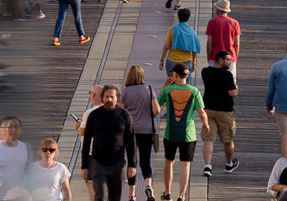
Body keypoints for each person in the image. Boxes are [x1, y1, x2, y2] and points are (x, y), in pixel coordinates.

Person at [156, 63, 209, 201]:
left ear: (174, 75)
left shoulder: (168, 90)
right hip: (188, 134)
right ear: (187, 75)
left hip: (171, 133)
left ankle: (167, 194)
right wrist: (206, 124)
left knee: (169, 162)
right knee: (185, 165)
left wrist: (165, 85)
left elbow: (157, 104)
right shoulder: (194, 91)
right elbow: (202, 112)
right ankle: (181, 196)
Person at [81, 85, 137, 201]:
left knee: (115, 198)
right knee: (100, 196)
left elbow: (131, 141)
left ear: (117, 98)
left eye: (112, 97)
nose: (109, 100)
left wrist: (132, 164)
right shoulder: (94, 115)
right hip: (98, 163)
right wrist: (84, 166)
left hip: (118, 163)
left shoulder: (124, 115)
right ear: (102, 98)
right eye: (106, 97)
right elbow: (86, 141)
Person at [120, 66, 160, 201]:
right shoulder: (149, 89)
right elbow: (157, 109)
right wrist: (149, 117)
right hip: (146, 130)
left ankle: (132, 195)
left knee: (132, 162)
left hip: (130, 132)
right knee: (145, 161)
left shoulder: (125, 92)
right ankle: (148, 186)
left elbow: (121, 112)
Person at [200, 50, 239, 177]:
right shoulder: (227, 75)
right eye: (228, 60)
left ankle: (207, 166)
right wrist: (236, 87)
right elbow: (232, 93)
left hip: (208, 109)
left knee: (208, 139)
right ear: (220, 60)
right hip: (225, 111)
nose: (230, 62)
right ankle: (228, 164)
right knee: (227, 139)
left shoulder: (205, 72)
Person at [0, 116, 31, 201]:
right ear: (0, 130)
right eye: (10, 127)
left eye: (16, 127)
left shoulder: (25, 147)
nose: (13, 130)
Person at [205, 0, 241, 78]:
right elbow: (237, 44)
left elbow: (209, 43)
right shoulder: (235, 23)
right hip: (230, 58)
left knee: (213, 84)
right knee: (230, 84)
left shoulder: (212, 22)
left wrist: (209, 57)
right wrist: (234, 57)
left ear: (218, 9)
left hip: (215, 57)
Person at [160, 7, 201, 77]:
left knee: (171, 84)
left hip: (172, 61)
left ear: (178, 17)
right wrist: (194, 63)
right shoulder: (192, 32)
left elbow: (166, 47)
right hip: (187, 63)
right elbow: (194, 50)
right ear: (188, 18)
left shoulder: (172, 30)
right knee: (184, 85)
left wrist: (162, 60)